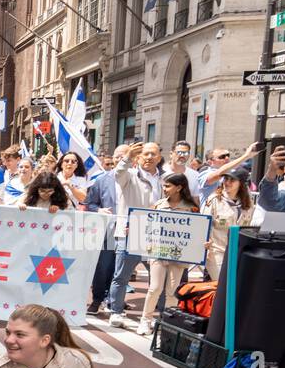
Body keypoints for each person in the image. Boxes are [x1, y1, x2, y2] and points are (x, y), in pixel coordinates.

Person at [107, 141, 163, 329]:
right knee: (121, 275)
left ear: (160, 158)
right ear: (138, 158)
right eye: (145, 154)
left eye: (153, 154)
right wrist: (127, 157)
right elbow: (118, 173)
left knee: (158, 278)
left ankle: (161, 315)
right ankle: (116, 311)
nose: (149, 157)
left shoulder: (165, 180)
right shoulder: (129, 175)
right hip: (130, 232)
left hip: (156, 235)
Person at [137, 172, 200, 337]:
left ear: (179, 187)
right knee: (154, 288)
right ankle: (146, 320)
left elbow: (197, 231)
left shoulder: (192, 208)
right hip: (158, 251)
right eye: (164, 185)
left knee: (172, 291)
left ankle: (167, 324)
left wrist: (202, 244)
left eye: (168, 186)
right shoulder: (158, 205)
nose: (164, 189)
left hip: (179, 255)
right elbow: (148, 227)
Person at [83, 144, 130, 316]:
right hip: (109, 231)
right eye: (117, 156)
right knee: (103, 266)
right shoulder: (102, 180)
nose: (119, 159)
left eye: (124, 156)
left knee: (122, 269)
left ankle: (115, 301)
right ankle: (97, 300)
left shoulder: (136, 179)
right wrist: (98, 210)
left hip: (131, 231)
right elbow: (89, 203)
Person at [200, 167, 255, 281]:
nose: (227, 182)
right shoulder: (214, 200)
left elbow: (250, 227)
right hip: (217, 252)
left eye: (232, 180)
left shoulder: (248, 203)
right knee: (223, 285)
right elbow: (203, 225)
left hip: (239, 252)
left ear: (241, 183)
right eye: (226, 178)